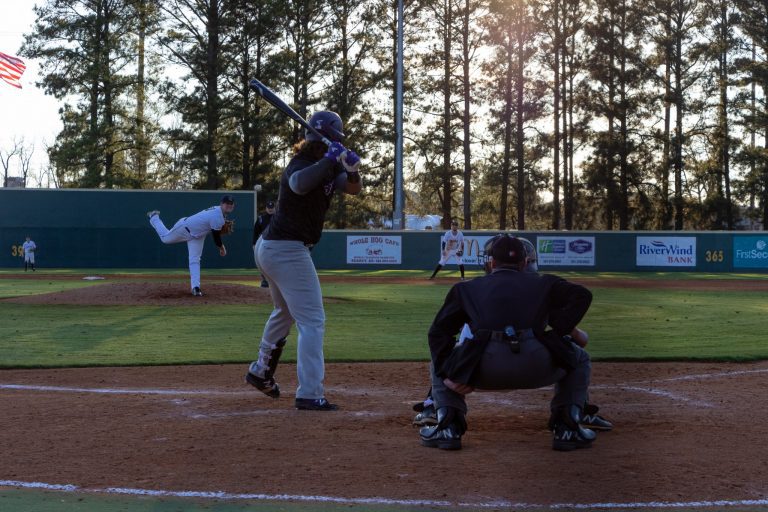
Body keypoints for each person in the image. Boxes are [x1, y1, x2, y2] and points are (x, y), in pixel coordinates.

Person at [419, 234, 609, 451]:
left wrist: (448, 376)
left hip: (482, 368)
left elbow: (438, 333)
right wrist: (559, 327)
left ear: (491, 263)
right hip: (537, 365)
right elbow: (582, 295)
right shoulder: (545, 282)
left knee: (440, 361)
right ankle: (568, 426)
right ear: (525, 262)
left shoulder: (466, 288)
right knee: (580, 358)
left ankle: (448, 425)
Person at [246, 110, 362, 411]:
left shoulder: (326, 165)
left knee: (284, 312)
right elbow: (298, 184)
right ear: (330, 139)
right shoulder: (302, 164)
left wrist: (351, 170)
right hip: (286, 248)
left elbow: (352, 188)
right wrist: (328, 160)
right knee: (313, 321)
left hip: (275, 247)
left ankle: (260, 371)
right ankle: (310, 392)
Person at [147, 195, 236, 296]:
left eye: (231, 204)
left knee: (195, 260)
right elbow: (216, 237)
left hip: (198, 236)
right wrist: (222, 247)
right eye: (227, 203)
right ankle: (154, 217)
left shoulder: (219, 213)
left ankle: (195, 288)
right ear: (221, 204)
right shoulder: (217, 216)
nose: (229, 205)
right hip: (185, 228)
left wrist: (220, 225)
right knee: (165, 239)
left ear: (233, 206)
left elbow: (214, 227)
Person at [252, 200, 276, 288]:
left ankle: (275, 281)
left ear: (274, 208)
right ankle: (264, 280)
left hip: (275, 244)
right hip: (263, 243)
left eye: (272, 208)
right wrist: (254, 244)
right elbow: (255, 232)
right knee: (262, 262)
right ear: (266, 208)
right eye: (269, 208)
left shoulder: (278, 219)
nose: (270, 209)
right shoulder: (261, 219)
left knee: (275, 263)